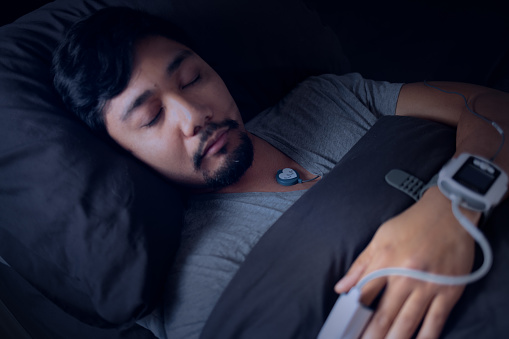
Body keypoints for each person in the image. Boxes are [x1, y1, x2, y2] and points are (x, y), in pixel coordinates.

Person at [52, 7, 509, 339]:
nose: (193, 115)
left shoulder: (321, 100)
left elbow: (491, 107)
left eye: (193, 78)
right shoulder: (195, 276)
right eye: (151, 117)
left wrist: (454, 205)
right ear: (123, 153)